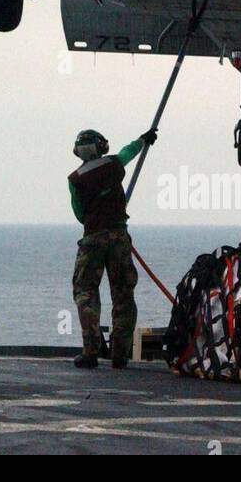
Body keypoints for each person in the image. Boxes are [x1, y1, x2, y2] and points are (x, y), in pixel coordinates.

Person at [67, 127, 157, 369]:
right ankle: (120, 353)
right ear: (101, 146)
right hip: (119, 236)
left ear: (78, 151)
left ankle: (90, 352)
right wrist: (143, 139)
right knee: (123, 293)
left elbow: (79, 213)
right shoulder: (113, 165)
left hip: (93, 238)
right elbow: (129, 152)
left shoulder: (75, 179)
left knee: (86, 292)